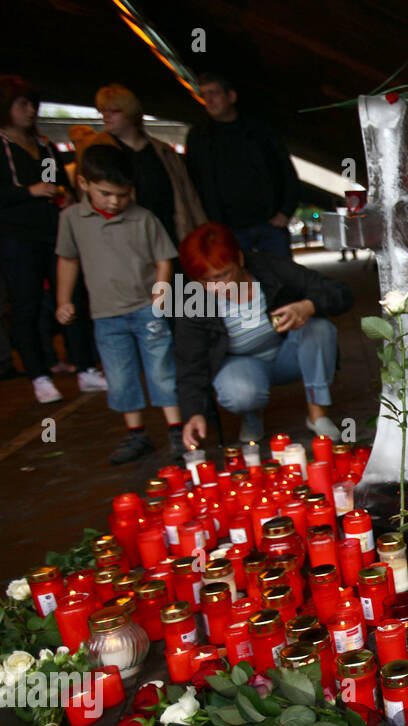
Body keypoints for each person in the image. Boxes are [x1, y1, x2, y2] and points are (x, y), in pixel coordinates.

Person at [54, 145, 183, 464]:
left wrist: (161, 291)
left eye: (123, 195)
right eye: (107, 193)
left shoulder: (143, 218)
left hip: (146, 309)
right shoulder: (72, 218)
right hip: (105, 315)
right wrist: (63, 299)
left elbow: (164, 259)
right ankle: (136, 434)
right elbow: (67, 260)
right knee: (120, 375)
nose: (115, 201)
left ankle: (177, 430)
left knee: (161, 370)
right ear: (84, 184)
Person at [175, 222, 351, 449]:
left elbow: (340, 292)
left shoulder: (269, 267)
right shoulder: (193, 302)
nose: (217, 287)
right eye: (206, 281)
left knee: (320, 328)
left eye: (223, 275)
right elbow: (189, 364)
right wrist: (193, 413)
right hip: (242, 364)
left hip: (288, 352)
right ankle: (251, 415)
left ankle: (318, 414)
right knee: (240, 394)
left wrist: (309, 306)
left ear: (239, 258)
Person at [0, 75, 103, 402]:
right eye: (22, 104)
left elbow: (58, 182)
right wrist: (28, 192)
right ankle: (39, 376)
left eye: (33, 104)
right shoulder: (2, 146)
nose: (30, 110)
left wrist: (66, 196)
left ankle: (85, 368)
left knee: (71, 298)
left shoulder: (45, 145)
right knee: (27, 305)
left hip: (55, 234)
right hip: (18, 238)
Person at [185, 73, 298, 258]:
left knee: (283, 282)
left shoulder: (260, 130)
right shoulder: (199, 137)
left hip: (269, 225)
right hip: (227, 231)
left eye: (214, 93)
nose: (209, 101)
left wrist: (285, 212)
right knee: (236, 286)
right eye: (204, 95)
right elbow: (194, 182)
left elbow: (286, 172)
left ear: (231, 96)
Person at [95, 83, 205, 247]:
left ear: (130, 113)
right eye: (103, 111)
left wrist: (203, 231)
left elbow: (189, 195)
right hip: (132, 243)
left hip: (172, 236)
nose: (106, 116)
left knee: (179, 274)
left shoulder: (164, 152)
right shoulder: (100, 152)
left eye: (114, 111)